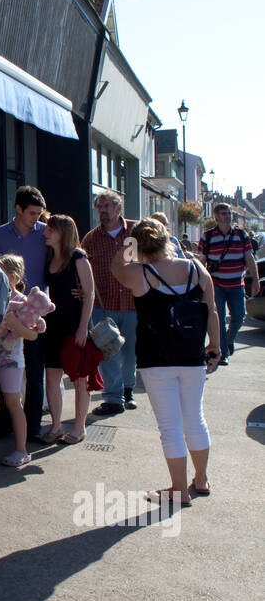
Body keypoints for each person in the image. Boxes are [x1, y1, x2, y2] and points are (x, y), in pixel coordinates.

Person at [111, 218, 221, 505]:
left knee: (170, 426)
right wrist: (216, 346)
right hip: (192, 356)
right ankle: (201, 479)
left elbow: (114, 267)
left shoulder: (139, 274)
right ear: (166, 239)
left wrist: (129, 241)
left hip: (155, 359)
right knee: (194, 419)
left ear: (139, 246)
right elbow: (212, 311)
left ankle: (179, 490)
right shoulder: (196, 269)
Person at [0, 185, 48, 441]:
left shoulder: (45, 234)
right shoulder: (1, 235)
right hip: (6, 312)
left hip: (34, 312)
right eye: (32, 212)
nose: (37, 218)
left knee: (35, 372)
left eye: (39, 213)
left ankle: (33, 428)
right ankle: (4, 425)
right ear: (18, 209)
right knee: (6, 367)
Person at [0, 254, 40, 468]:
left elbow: (33, 334)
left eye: (0, 272)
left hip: (12, 361)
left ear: (12, 277)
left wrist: (16, 324)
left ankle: (21, 450)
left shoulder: (23, 302)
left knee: (13, 402)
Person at [40, 215, 95, 444]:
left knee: (80, 378)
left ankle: (79, 427)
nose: (46, 233)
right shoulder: (50, 256)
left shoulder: (78, 257)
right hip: (53, 325)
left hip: (75, 324)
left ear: (63, 232)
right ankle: (56, 426)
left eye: (50, 229)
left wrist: (83, 328)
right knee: (52, 376)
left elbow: (90, 292)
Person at [82, 190, 137, 415]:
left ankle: (128, 390)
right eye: (100, 207)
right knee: (108, 352)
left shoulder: (135, 232)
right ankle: (113, 398)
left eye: (107, 206)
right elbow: (83, 269)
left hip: (133, 303)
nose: (103, 211)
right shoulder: (91, 239)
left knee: (130, 352)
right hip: (104, 307)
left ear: (118, 208)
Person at [197, 203, 260, 363]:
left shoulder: (241, 235)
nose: (228, 216)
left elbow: (250, 258)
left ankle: (229, 340)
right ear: (216, 217)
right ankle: (223, 354)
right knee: (218, 318)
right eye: (224, 213)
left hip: (236, 285)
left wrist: (255, 281)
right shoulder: (207, 236)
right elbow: (201, 261)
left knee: (239, 317)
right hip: (216, 285)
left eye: (229, 213)